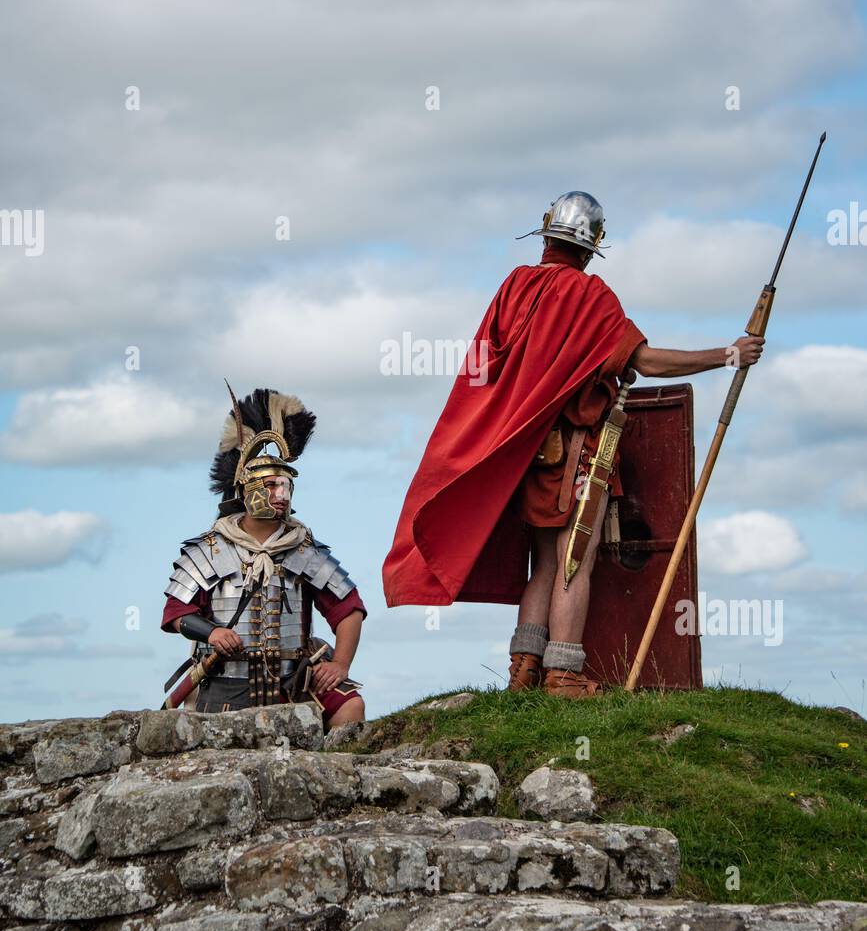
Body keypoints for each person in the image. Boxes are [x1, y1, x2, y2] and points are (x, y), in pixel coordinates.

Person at [382, 192, 764, 698]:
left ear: (546, 234)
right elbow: (645, 361)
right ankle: (562, 673)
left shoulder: (513, 287)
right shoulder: (590, 296)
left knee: (546, 560)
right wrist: (728, 355)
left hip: (532, 455)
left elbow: (488, 370)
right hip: (579, 453)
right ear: (591, 247)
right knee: (574, 557)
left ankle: (524, 669)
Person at [161, 385, 365, 728]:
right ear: (247, 489)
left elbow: (349, 610)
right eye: (271, 486)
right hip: (227, 681)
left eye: (285, 486)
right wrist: (211, 634)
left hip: (292, 679)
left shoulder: (303, 549)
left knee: (351, 707)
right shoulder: (210, 550)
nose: (281, 494)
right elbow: (177, 613)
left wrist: (340, 665)